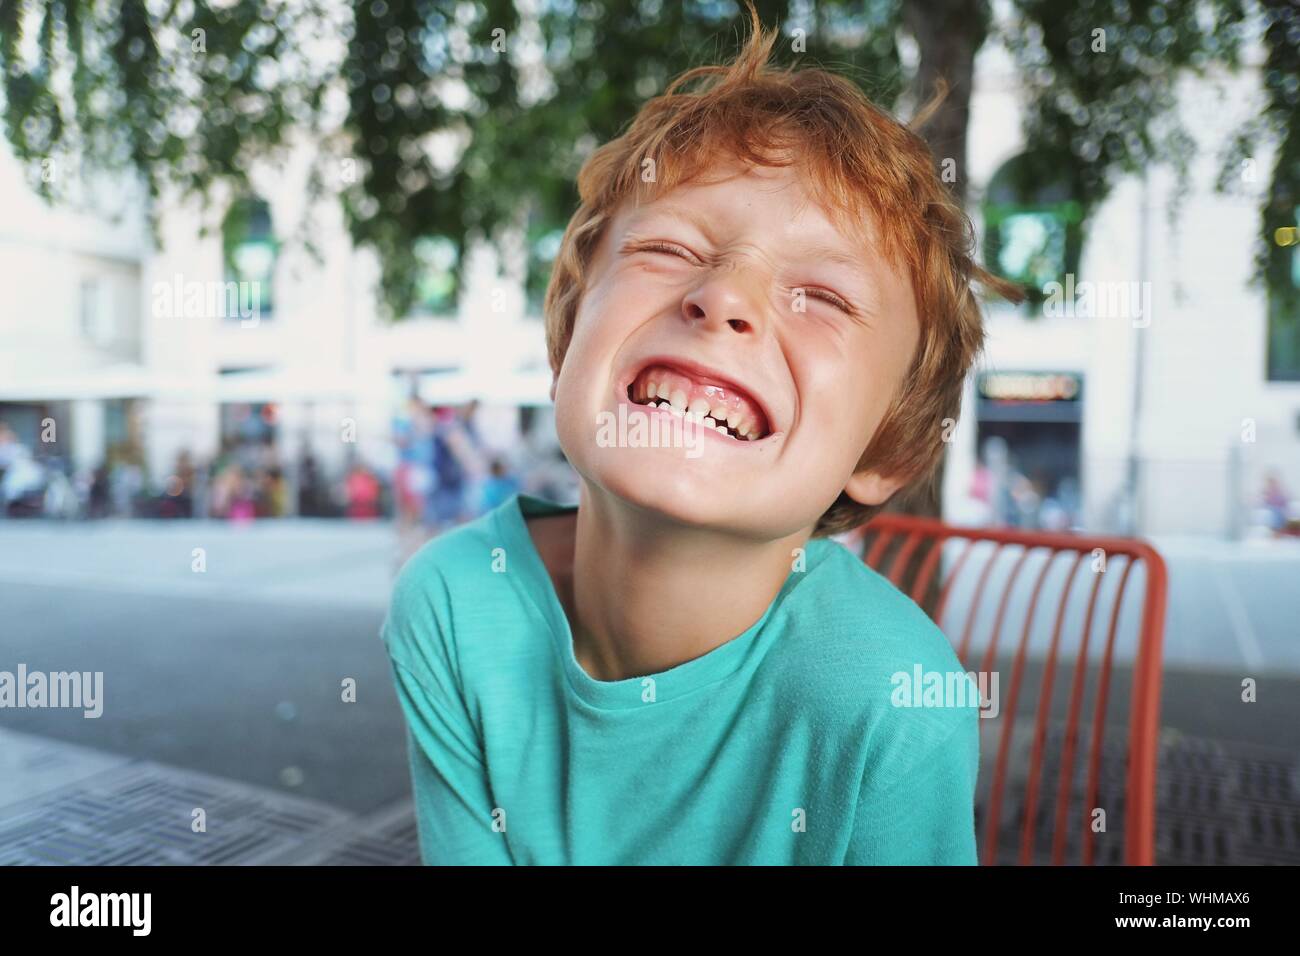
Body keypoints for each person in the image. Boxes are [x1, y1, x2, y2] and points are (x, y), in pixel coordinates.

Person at [380, 5, 1024, 866]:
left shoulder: (888, 700)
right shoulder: (456, 603)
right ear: (569, 338)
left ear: (888, 452)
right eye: (672, 249)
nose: (724, 296)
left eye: (824, 297)